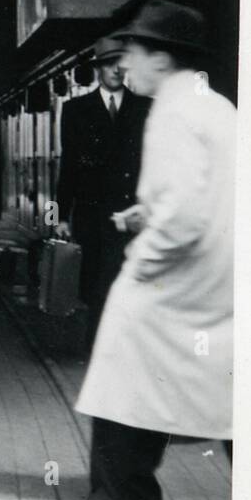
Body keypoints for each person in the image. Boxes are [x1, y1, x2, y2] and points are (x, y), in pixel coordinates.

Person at [63, 1, 234, 500]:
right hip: (222, 272)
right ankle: (125, 494)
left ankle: (123, 498)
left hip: (188, 275)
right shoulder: (212, 105)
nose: (124, 63)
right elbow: (207, 191)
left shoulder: (172, 113)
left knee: (121, 360)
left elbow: (183, 215)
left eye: (133, 52)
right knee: (225, 391)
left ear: (161, 59)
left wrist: (142, 263)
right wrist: (149, 212)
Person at [54, 36, 150, 350]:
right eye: (110, 64)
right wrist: (59, 216)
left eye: (121, 64)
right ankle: (98, 346)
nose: (117, 70)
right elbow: (67, 165)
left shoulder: (145, 108)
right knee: (94, 281)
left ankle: (118, 346)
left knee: (126, 279)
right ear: (98, 69)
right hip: (91, 211)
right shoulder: (75, 110)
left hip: (130, 211)